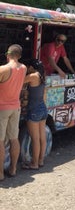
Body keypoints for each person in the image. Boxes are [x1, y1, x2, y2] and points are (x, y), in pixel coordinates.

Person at [0, 45, 27, 180]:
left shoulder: (3, 69)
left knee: (0, 140)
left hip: (2, 108)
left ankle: (0, 173)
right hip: (15, 107)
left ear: (7, 55)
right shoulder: (24, 68)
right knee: (14, 139)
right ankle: (13, 169)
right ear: (19, 56)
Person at [22, 60, 47, 170]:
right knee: (42, 137)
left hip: (34, 109)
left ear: (31, 67)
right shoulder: (42, 76)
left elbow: (19, 80)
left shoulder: (33, 76)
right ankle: (40, 161)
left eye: (28, 67)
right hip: (42, 108)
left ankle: (34, 163)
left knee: (35, 138)